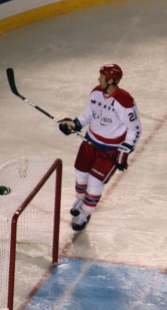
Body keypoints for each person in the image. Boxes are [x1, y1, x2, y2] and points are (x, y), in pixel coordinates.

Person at [58, 64, 142, 232]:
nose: (99, 79)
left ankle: (85, 213)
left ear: (111, 80)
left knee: (95, 184)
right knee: (81, 177)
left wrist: (123, 152)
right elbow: (88, 114)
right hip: (89, 143)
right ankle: (80, 199)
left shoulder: (124, 101)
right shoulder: (96, 92)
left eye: (102, 77)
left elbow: (135, 129)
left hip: (109, 151)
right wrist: (74, 123)